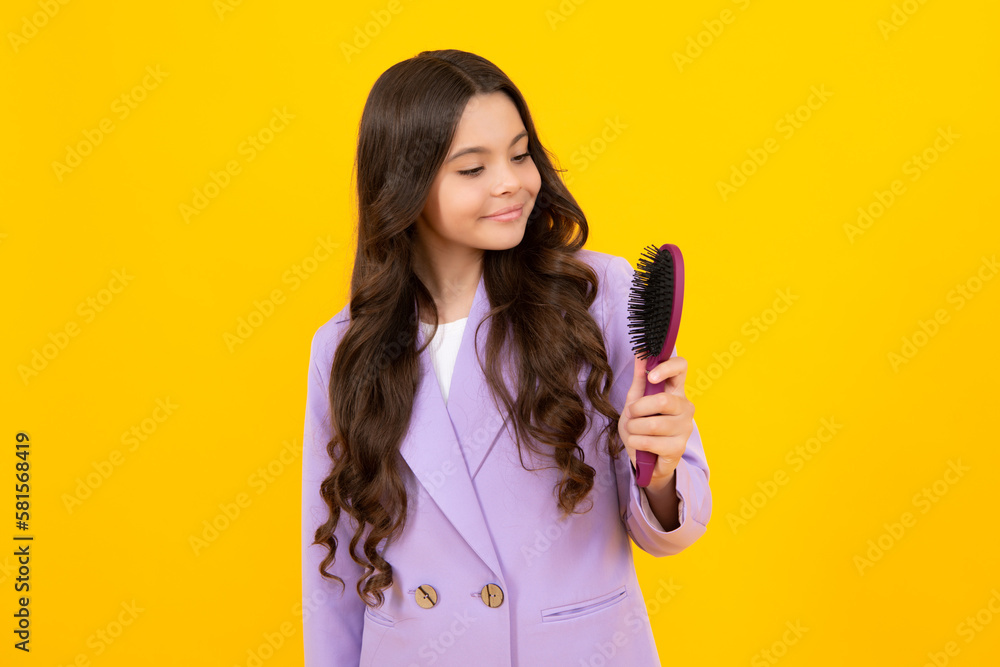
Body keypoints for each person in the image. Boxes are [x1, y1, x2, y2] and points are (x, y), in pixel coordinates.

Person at [301, 48, 711, 666]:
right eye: (472, 168)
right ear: (405, 186)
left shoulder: (595, 296)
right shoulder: (343, 347)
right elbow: (331, 577)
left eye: (520, 154)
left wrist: (659, 473)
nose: (512, 182)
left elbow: (671, 529)